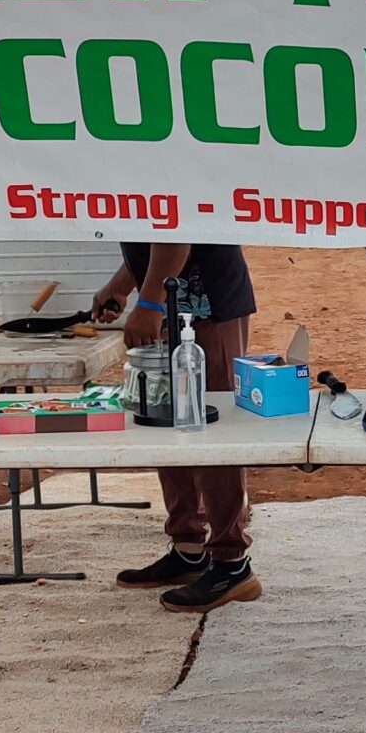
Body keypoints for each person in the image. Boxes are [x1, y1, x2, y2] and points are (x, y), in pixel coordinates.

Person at [94, 241, 261, 612]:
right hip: (170, 302)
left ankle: (232, 562)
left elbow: (173, 235)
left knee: (213, 426)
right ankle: (189, 549)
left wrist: (149, 304)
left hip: (209, 304)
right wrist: (122, 285)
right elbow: (149, 240)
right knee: (168, 420)